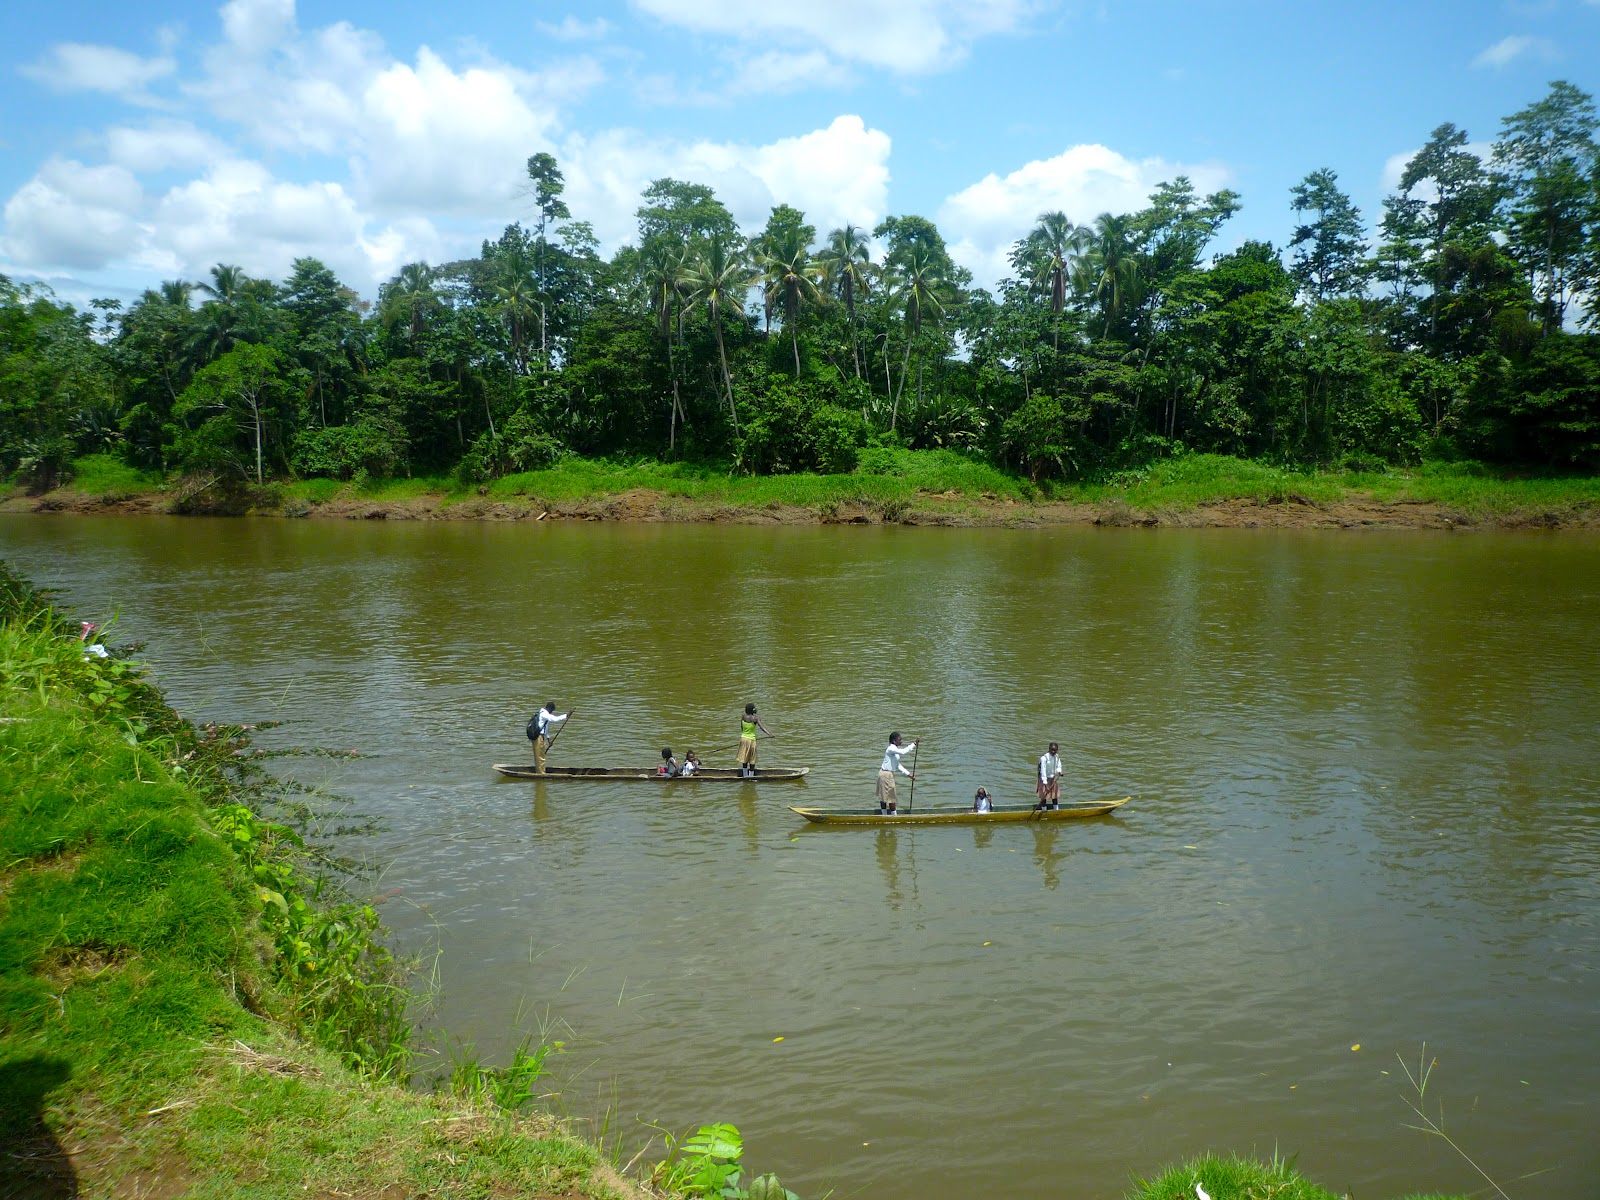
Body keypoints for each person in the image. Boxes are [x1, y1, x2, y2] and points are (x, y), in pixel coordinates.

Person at [877, 733, 917, 815]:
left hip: (888, 774)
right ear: (893, 741)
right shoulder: (891, 748)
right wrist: (914, 744)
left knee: (890, 797)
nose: (901, 741)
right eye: (899, 740)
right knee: (886, 797)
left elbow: (897, 765)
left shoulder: (894, 750)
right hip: (885, 774)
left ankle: (889, 815)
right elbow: (903, 752)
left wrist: (909, 774)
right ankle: (887, 816)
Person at [528, 702, 573, 775]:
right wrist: (566, 715)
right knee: (540, 757)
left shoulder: (541, 713)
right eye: (552, 711)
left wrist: (548, 739)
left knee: (539, 755)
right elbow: (554, 719)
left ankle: (539, 771)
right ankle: (541, 774)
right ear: (550, 709)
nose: (552, 712)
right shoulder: (544, 714)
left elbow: (544, 727)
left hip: (538, 737)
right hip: (538, 737)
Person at [736, 703, 772, 779]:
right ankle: (751, 777)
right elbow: (762, 727)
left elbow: (742, 728)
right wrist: (769, 734)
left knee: (744, 758)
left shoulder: (743, 717)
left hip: (743, 739)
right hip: (751, 740)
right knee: (752, 759)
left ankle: (745, 776)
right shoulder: (755, 718)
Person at [1036, 742, 1064, 810]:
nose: (1053, 751)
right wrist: (1045, 785)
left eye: (1055, 750)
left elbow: (1058, 766)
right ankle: (1044, 810)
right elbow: (1043, 772)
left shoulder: (1057, 756)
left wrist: (1060, 772)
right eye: (1052, 750)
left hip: (1052, 779)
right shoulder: (1044, 758)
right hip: (1044, 779)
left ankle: (1056, 811)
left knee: (1055, 796)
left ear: (1057, 750)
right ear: (1049, 749)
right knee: (1044, 796)